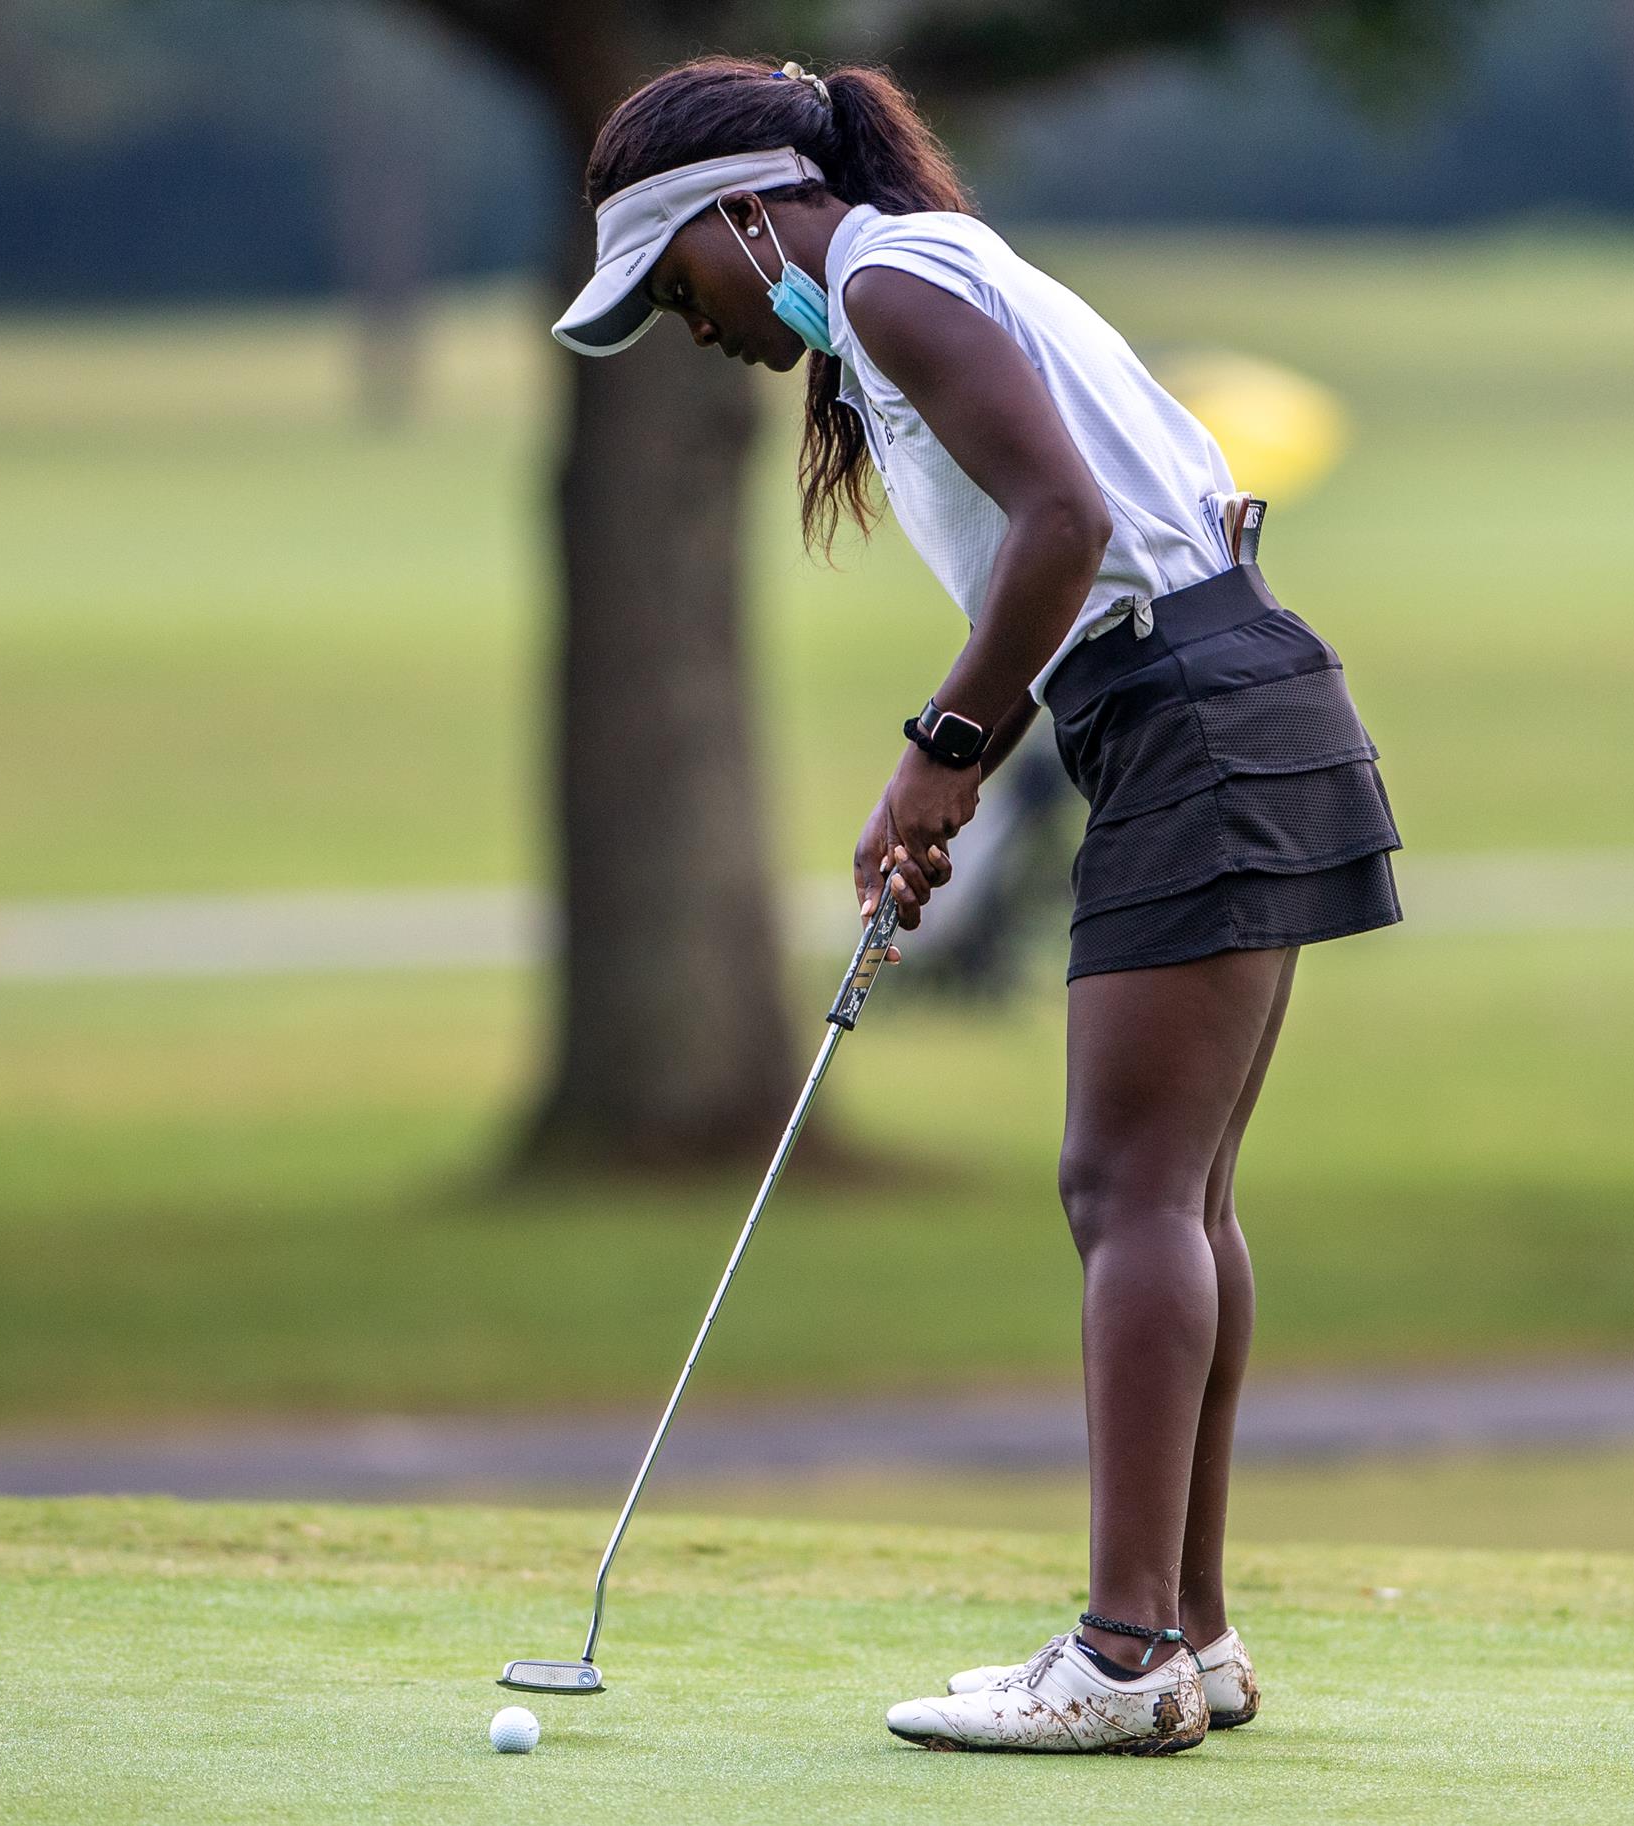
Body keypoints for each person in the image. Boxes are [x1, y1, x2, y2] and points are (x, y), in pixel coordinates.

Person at [554, 55, 1402, 1756]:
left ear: (736, 213)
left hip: (1198, 721)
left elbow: (1067, 521)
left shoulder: (874, 273)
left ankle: (1121, 1647)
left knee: (1128, 1188)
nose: (687, 327)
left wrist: (946, 747)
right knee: (1181, 1194)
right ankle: (1193, 1637)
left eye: (673, 284)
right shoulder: (921, 269)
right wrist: (939, 770)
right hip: (1218, 698)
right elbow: (1075, 554)